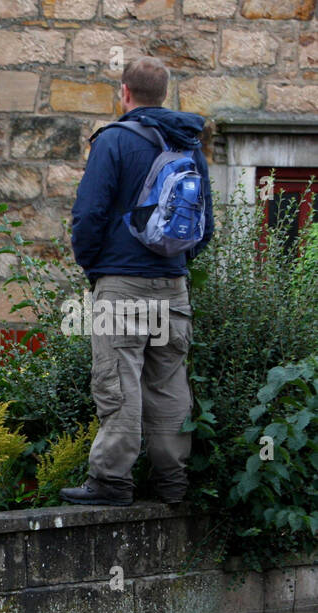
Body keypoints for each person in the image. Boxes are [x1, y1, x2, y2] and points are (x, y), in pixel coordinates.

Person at [62, 55, 214, 507]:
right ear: (164, 95)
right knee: (169, 386)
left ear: (124, 93)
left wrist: (96, 267)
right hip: (174, 288)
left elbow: (88, 214)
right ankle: (172, 483)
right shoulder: (189, 144)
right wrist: (177, 263)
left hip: (122, 285)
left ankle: (111, 480)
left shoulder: (113, 142)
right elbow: (205, 225)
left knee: (118, 381)